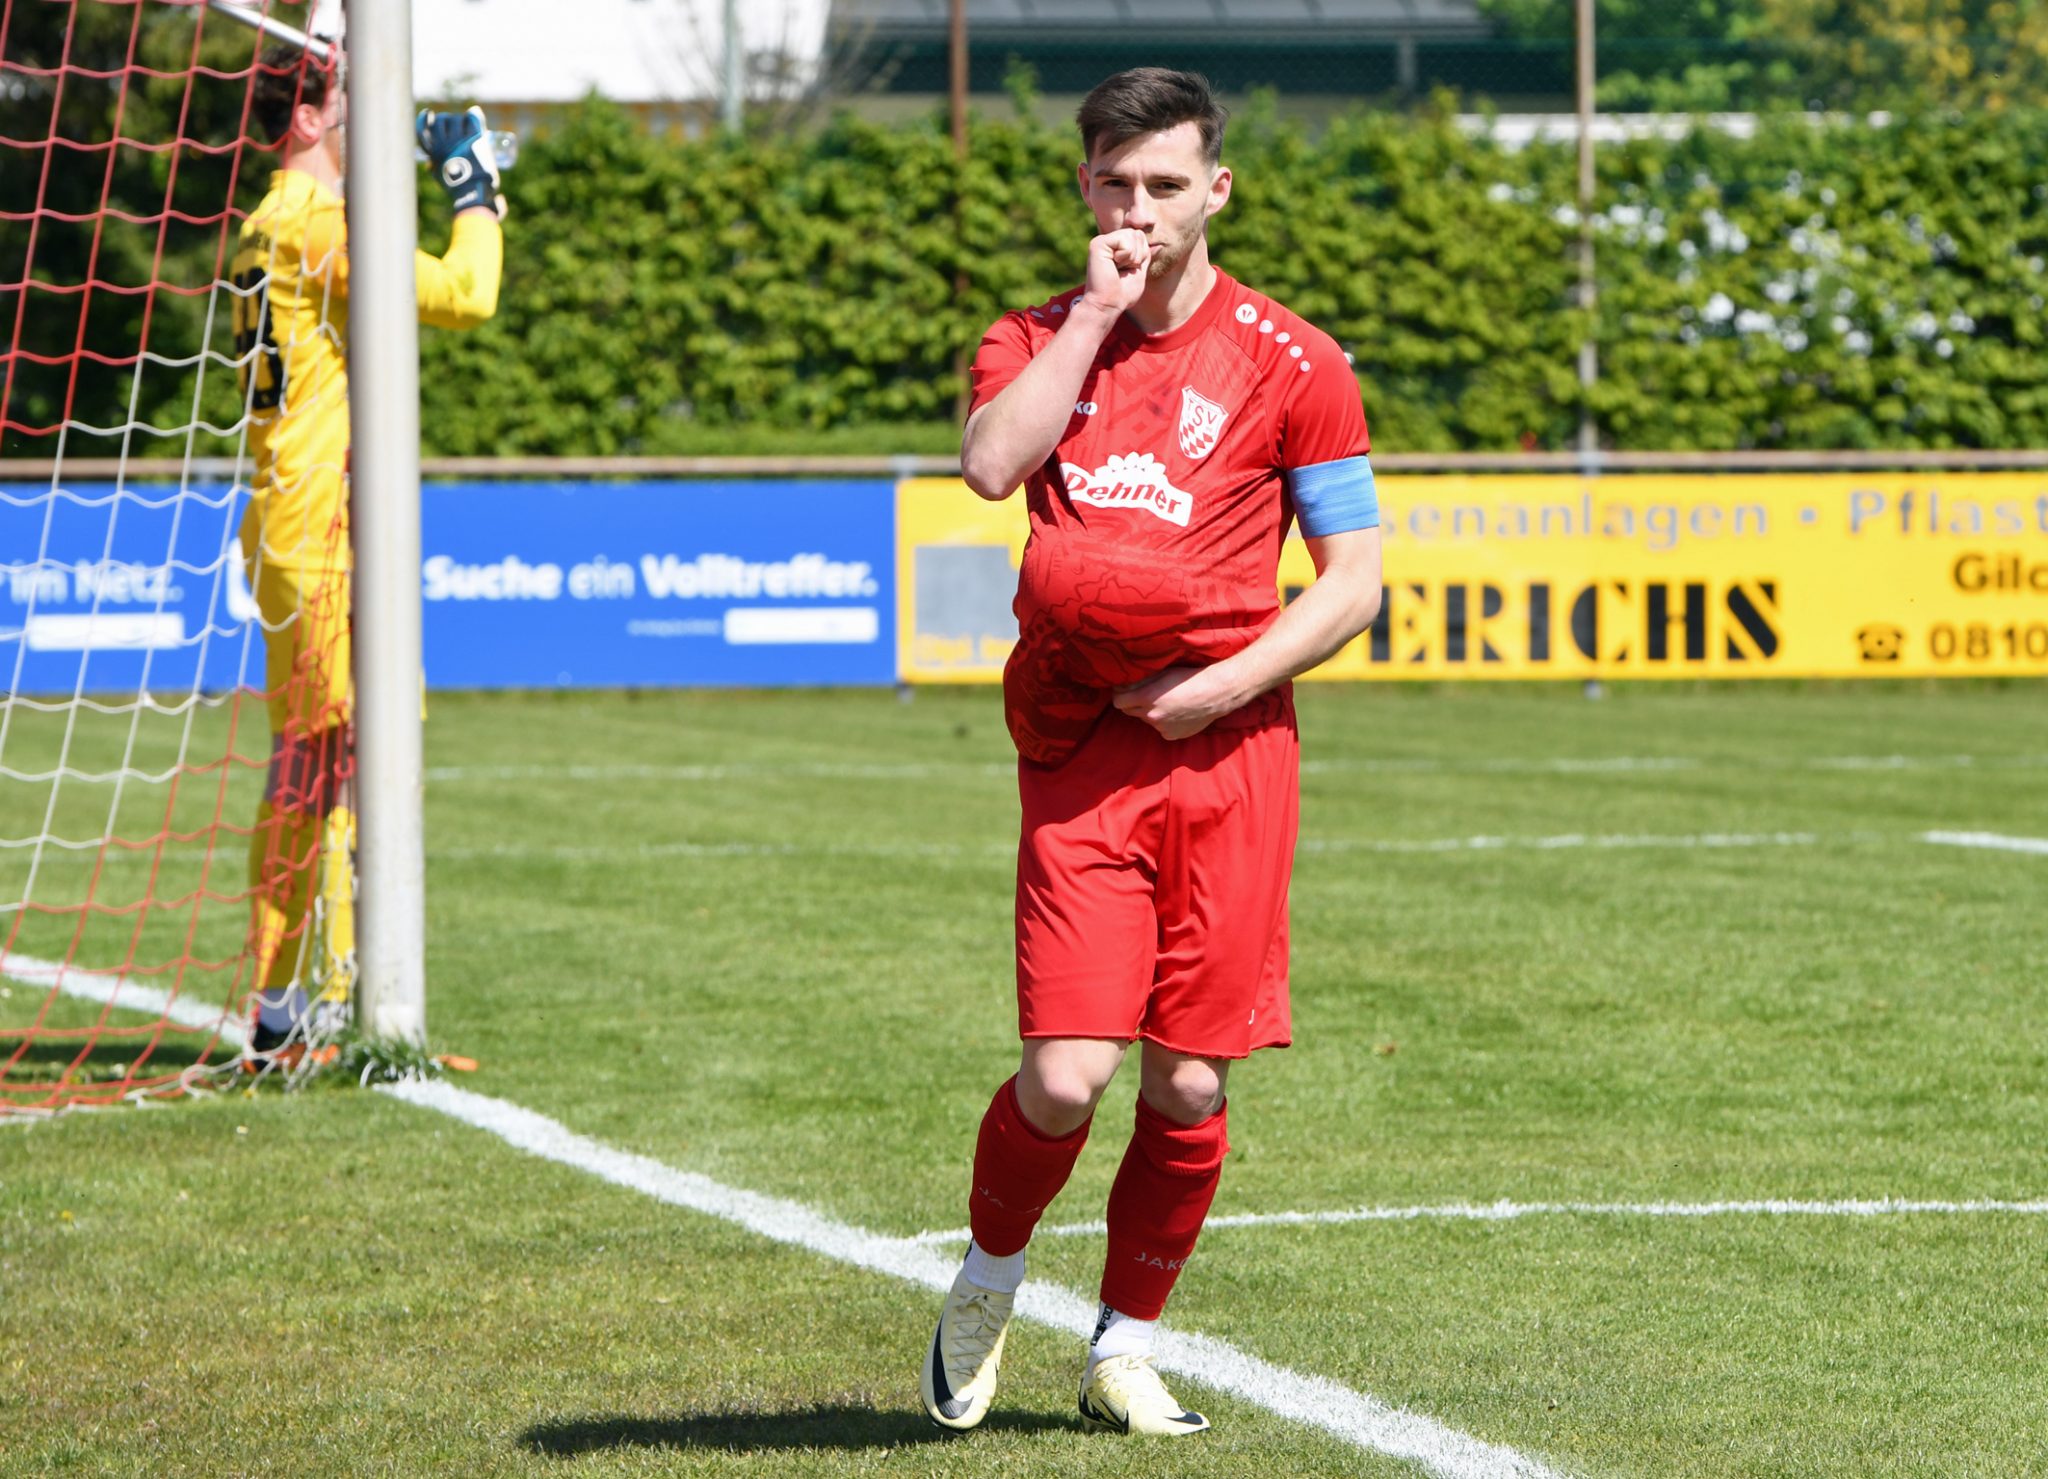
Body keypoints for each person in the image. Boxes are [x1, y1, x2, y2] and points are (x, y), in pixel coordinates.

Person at [920, 67, 1384, 1436]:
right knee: (1067, 1072)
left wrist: (1219, 687)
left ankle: (1125, 1340)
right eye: (1116, 184)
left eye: (1166, 186)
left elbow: (1352, 580)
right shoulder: (1032, 338)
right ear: (1084, 188)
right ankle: (990, 1275)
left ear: (1217, 190)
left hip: (1230, 755)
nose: (1140, 209)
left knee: (1187, 1076)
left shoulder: (1297, 364)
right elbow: (991, 468)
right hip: (1076, 744)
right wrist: (1097, 317)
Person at [233, 42, 507, 1058]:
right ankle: (353, 1004)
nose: (373, 113)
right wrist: (472, 187)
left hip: (287, 518)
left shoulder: (269, 218)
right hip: (325, 528)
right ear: (305, 120)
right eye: (351, 96)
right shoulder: (309, 222)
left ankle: (277, 1008)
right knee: (351, 759)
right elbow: (462, 295)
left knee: (307, 762)